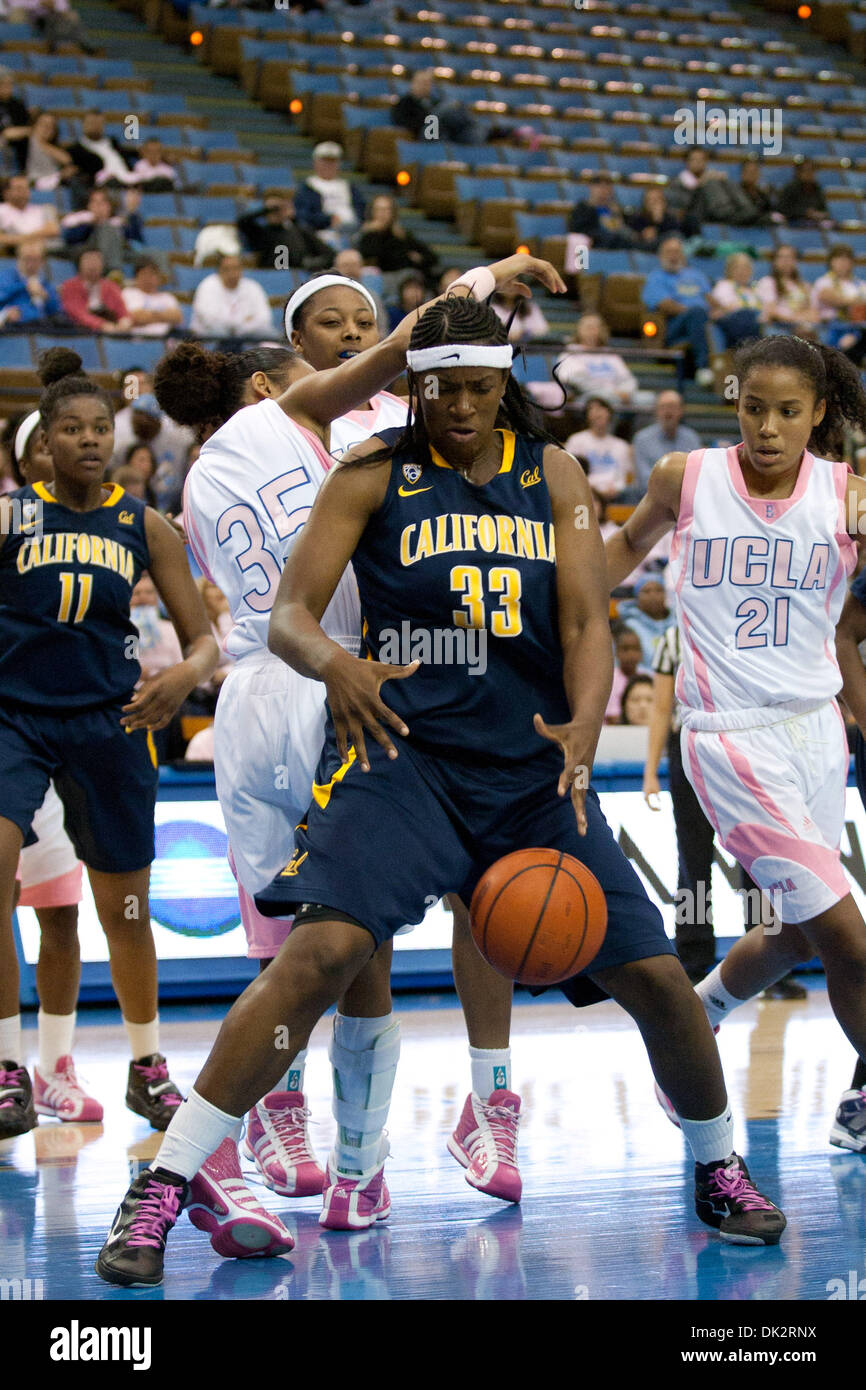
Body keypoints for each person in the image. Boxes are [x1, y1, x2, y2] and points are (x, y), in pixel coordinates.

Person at [96, 282, 786, 1289]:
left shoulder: (551, 476)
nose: (456, 405)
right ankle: (162, 1182)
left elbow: (590, 624)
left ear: (499, 385)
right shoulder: (370, 472)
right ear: (412, 389)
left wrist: (587, 721)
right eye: (438, 389)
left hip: (526, 769)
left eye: (473, 388)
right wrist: (337, 666)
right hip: (403, 760)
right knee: (319, 952)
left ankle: (715, 1164)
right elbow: (290, 613)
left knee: (658, 982)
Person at [150, 266, 526, 1245]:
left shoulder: (248, 465)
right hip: (322, 692)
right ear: (274, 373)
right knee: (337, 955)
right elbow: (415, 358)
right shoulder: (295, 434)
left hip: (265, 705)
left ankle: (293, 1159)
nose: (353, 338)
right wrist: (474, 289)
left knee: (328, 955)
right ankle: (267, 1146)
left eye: (361, 320)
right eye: (334, 324)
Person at [605, 333, 866, 1156]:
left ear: (818, 413)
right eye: (755, 408)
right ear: (735, 404)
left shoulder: (850, 497)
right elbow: (614, 555)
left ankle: (699, 1016)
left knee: (795, 932)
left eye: (789, 411)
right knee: (848, 935)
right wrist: (544, 599)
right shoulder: (685, 478)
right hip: (727, 736)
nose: (768, 427)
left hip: (818, 733)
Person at [0, 346, 219, 1144]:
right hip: (14, 717)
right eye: (71, 429)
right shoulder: (12, 515)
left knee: (124, 907)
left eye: (101, 427)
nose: (90, 440)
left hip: (110, 721)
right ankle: (8, 1068)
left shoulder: (142, 522)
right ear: (44, 444)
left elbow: (204, 643)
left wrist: (175, 680)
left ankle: (146, 1066)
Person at [643, 622, 806, 995]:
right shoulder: (674, 637)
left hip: (744, 744)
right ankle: (694, 962)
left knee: (759, 862)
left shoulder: (747, 627)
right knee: (693, 861)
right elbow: (661, 707)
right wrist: (650, 771)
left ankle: (768, 964)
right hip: (690, 748)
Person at [642, 236, 714, 386]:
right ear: (661, 256)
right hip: (673, 326)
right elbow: (665, 305)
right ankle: (703, 367)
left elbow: (710, 299)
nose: (673, 256)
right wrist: (696, 312)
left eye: (677, 252)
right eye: (669, 252)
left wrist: (719, 311)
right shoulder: (656, 277)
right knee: (696, 314)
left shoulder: (696, 275)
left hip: (704, 319)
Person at [553, 312, 641, 408]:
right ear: (579, 330)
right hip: (587, 396)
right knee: (604, 400)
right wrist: (611, 392)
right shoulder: (570, 352)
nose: (592, 331)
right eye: (589, 327)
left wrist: (625, 392)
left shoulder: (609, 353)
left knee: (648, 399)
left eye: (596, 327)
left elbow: (627, 378)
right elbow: (576, 380)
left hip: (617, 394)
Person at [294, 143, 366, 250]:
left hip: (353, 230)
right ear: (316, 163)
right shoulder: (308, 188)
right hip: (322, 234)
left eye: (332, 162)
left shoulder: (349, 187)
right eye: (324, 161)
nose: (328, 165)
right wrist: (328, 220)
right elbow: (303, 217)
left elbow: (362, 209)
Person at [189, 252, 274, 342]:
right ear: (219, 270)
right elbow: (209, 320)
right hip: (212, 338)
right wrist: (245, 321)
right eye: (227, 269)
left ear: (242, 269)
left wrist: (238, 328)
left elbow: (265, 318)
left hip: (248, 337)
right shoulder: (207, 286)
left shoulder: (252, 287)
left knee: (270, 335)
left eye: (236, 268)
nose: (232, 273)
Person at [631, 390, 701, 497]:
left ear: (681, 411)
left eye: (672, 407)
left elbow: (696, 475)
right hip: (651, 501)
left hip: (685, 501)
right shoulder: (642, 439)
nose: (668, 412)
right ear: (656, 411)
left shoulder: (691, 438)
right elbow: (644, 480)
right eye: (663, 407)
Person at [236, 192, 330, 271]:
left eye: (278, 209)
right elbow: (242, 222)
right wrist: (265, 211)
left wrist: (292, 217)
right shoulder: (260, 232)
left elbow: (328, 253)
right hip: (270, 274)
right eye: (271, 210)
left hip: (296, 274)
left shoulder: (297, 230)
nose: (274, 212)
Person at [61, 187, 145, 274]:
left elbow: (137, 240)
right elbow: (69, 239)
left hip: (118, 253)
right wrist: (92, 224)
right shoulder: (80, 219)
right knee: (105, 228)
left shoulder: (118, 222)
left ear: (110, 206)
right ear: (89, 205)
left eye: (102, 203)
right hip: (89, 256)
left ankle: (113, 273)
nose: (98, 206)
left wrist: (131, 212)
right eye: (95, 202)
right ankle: (113, 273)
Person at [564, 396, 633, 501]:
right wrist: (593, 489)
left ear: (609, 413)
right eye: (592, 409)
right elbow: (570, 473)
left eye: (601, 409)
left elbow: (624, 476)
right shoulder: (576, 440)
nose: (598, 413)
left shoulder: (621, 445)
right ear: (587, 416)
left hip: (615, 494)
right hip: (584, 493)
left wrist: (617, 488)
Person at [355, 194, 438, 278]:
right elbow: (369, 257)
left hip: (403, 278)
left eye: (386, 209)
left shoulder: (402, 235)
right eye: (379, 209)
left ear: (393, 213)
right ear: (372, 212)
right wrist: (371, 233)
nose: (382, 213)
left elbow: (432, 258)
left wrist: (417, 258)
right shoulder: (365, 235)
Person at [60, 247, 133, 335]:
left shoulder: (110, 286)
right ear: (79, 263)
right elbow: (77, 313)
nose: (93, 264)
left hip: (112, 332)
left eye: (96, 260)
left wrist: (125, 321)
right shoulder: (70, 286)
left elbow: (122, 310)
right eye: (88, 260)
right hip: (82, 333)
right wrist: (102, 325)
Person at [755, 243, 820, 339]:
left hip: (802, 328)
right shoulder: (767, 282)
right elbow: (772, 311)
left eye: (790, 257)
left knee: (810, 333)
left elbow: (814, 315)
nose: (786, 261)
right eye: (781, 257)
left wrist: (796, 318)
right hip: (778, 327)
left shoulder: (805, 286)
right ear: (774, 261)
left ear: (795, 261)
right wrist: (798, 318)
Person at [66, 110, 136, 194]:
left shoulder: (113, 142)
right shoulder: (76, 149)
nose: (95, 126)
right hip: (103, 185)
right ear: (83, 125)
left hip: (128, 178)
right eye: (92, 123)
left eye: (99, 123)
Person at [1, 111, 75, 190]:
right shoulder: (25, 141)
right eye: (43, 125)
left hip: (50, 185)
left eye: (51, 126)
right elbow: (7, 134)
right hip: (28, 182)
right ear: (35, 125)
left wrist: (42, 143)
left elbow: (67, 160)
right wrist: (32, 131)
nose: (47, 129)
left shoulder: (55, 147)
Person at [810, 244, 866, 349]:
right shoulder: (823, 282)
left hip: (856, 328)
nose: (843, 263)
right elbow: (833, 299)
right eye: (839, 259)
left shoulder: (861, 284)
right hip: (829, 328)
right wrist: (858, 301)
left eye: (846, 259)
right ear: (831, 262)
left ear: (852, 263)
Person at [0, 238, 63, 329]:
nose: (30, 264)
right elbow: (2, 295)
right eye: (27, 259)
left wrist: (45, 297)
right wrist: (25, 285)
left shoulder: (45, 285)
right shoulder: (6, 277)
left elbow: (56, 310)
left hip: (41, 328)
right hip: (14, 328)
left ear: (42, 262)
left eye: (35, 260)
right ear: (18, 259)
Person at [708, 253, 764, 352]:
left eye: (746, 267)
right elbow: (726, 308)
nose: (743, 271)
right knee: (746, 314)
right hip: (734, 324)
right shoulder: (724, 285)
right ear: (730, 270)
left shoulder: (756, 288)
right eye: (738, 268)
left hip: (757, 323)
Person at [615, 575, 671, 668]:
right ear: (637, 596)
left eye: (658, 590)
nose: (653, 595)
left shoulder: (679, 623)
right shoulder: (629, 626)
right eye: (646, 591)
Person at [120, 256, 183, 338]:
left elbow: (177, 317)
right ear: (136, 277)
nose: (148, 278)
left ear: (159, 277)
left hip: (165, 341)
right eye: (144, 274)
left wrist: (148, 316)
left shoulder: (168, 297)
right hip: (137, 341)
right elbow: (135, 317)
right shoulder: (128, 293)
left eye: (152, 274)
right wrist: (164, 316)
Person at [568, 174, 635, 250]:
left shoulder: (615, 209)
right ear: (591, 188)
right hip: (598, 246)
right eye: (600, 186)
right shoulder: (583, 208)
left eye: (607, 187)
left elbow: (626, 229)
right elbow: (578, 232)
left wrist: (617, 214)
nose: (604, 190)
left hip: (620, 245)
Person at [0, 173, 59, 251]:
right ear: (6, 193)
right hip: (15, 251)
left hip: (47, 249)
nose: (24, 192)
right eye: (19, 188)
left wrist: (21, 238)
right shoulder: (2, 210)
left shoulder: (44, 209)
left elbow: (53, 230)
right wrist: (38, 236)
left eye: (26, 188)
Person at [604, 624, 649, 724]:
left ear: (641, 653)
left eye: (635, 649)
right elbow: (611, 717)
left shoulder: (647, 677)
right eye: (625, 649)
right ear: (616, 653)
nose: (631, 654)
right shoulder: (609, 680)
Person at [626, 186, 692, 252]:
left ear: (664, 203)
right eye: (650, 200)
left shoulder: (670, 218)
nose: (654, 203)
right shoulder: (638, 217)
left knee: (676, 236)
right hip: (643, 247)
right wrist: (642, 234)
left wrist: (659, 220)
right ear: (645, 203)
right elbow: (631, 233)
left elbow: (675, 233)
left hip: (664, 246)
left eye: (657, 199)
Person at [776, 157, 831, 227]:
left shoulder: (817, 188)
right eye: (807, 170)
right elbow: (783, 210)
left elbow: (824, 209)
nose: (810, 173)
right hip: (793, 223)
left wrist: (821, 214)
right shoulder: (790, 188)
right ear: (798, 172)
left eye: (812, 170)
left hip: (815, 223)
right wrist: (806, 213)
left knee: (829, 224)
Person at [0, 68, 30, 175]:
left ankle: (24, 172)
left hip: (17, 139)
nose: (7, 88)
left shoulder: (18, 104)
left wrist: (10, 133)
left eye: (10, 84)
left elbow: (29, 127)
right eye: (3, 84)